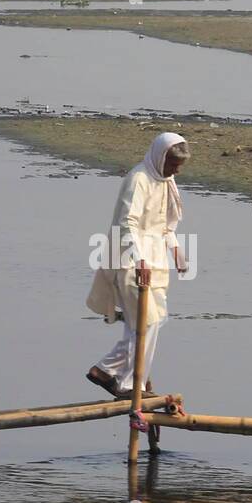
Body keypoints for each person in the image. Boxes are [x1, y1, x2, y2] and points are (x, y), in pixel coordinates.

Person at [85, 132, 189, 400]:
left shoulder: (166, 181)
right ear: (160, 157)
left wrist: (176, 251)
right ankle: (127, 381)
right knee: (146, 323)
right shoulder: (139, 179)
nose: (175, 171)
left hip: (155, 263)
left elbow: (164, 224)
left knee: (149, 322)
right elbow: (126, 223)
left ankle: (111, 373)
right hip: (130, 263)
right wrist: (139, 259)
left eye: (178, 167)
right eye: (172, 165)